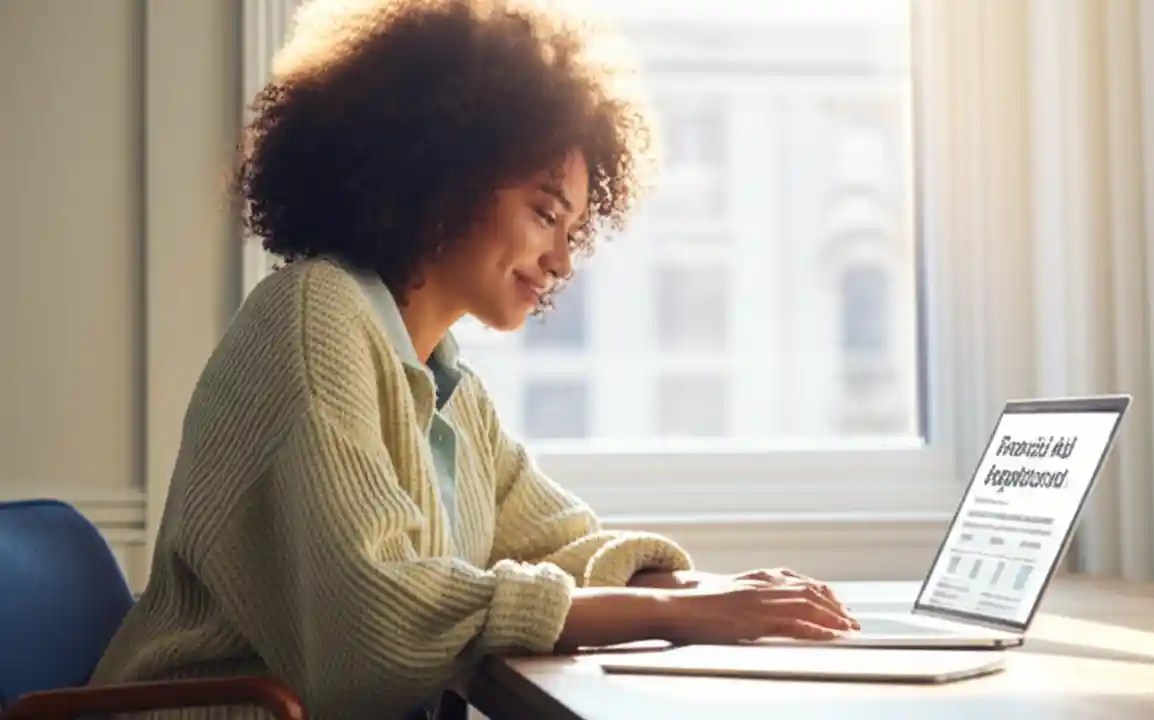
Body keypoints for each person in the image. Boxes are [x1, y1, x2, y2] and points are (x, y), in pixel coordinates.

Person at [91, 0, 859, 717]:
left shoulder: (443, 379)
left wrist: (708, 590)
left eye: (573, 230)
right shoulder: (311, 316)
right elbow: (374, 624)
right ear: (441, 175)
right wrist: (667, 611)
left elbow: (556, 542)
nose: (562, 261)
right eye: (545, 213)